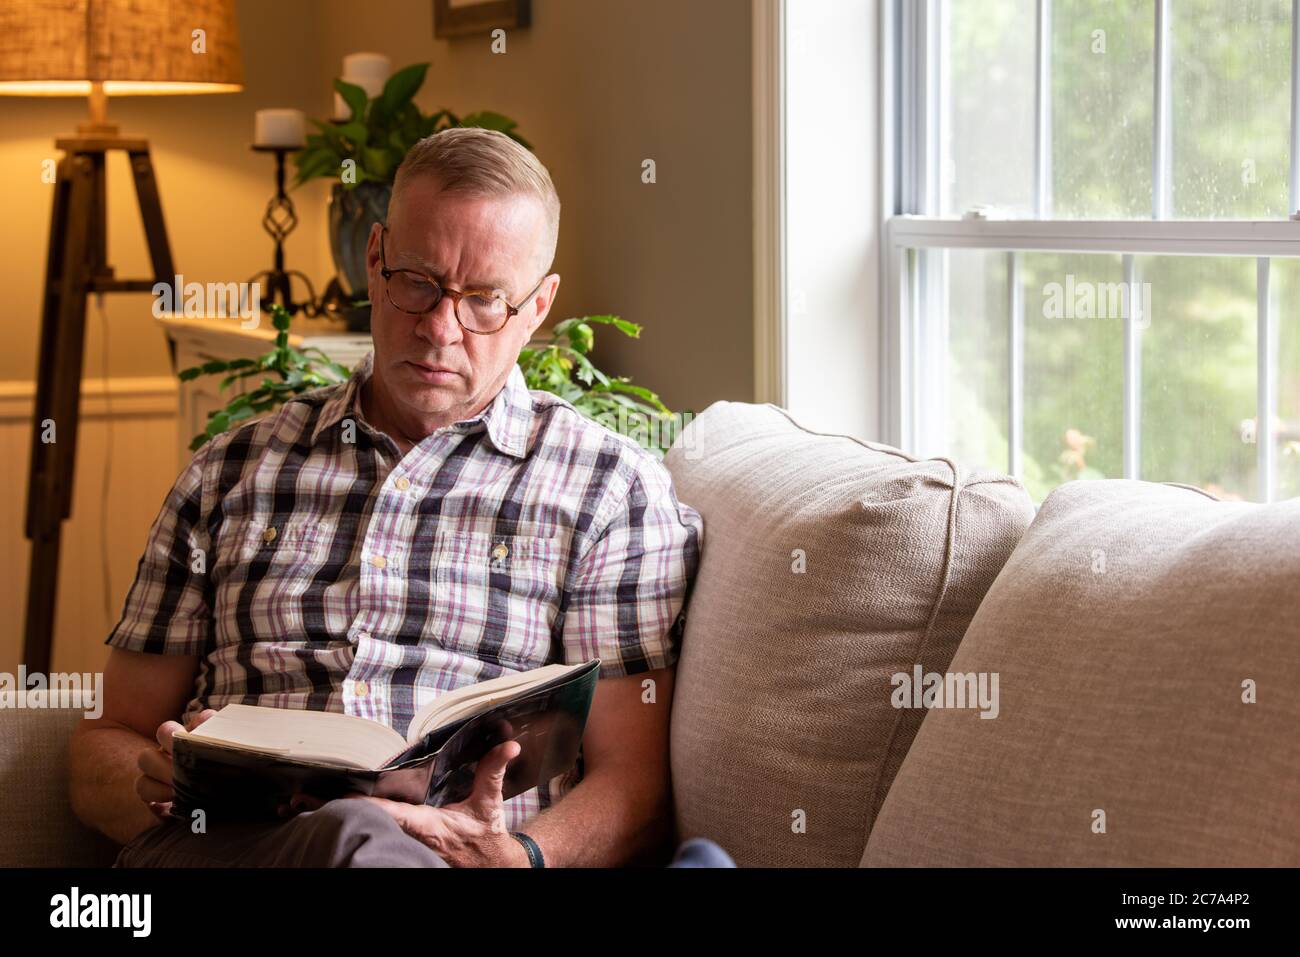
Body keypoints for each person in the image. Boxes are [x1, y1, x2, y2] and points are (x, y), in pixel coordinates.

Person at [69, 127, 723, 868]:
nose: (440, 328)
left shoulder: (610, 492)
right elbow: (103, 740)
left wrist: (524, 858)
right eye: (418, 281)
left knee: (366, 842)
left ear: (537, 307)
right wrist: (145, 781)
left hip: (447, 858)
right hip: (226, 847)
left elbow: (633, 782)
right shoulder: (231, 471)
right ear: (376, 261)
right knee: (351, 835)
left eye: (484, 300)